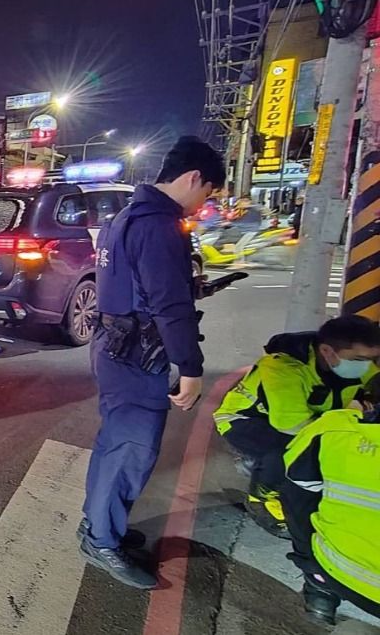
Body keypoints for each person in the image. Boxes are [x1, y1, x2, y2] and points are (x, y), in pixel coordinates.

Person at [79, 136, 225, 589]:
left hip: (116, 346)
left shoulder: (128, 215)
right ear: (192, 178)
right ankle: (102, 540)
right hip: (136, 355)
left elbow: (136, 285)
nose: (204, 204)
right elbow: (168, 303)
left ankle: (100, 525)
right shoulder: (158, 225)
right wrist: (191, 366)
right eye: (208, 193)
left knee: (116, 445)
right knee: (131, 451)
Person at [214, 316, 380, 537]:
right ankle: (261, 496)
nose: (366, 365)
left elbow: (372, 380)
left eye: (373, 359)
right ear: (327, 351)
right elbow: (294, 426)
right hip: (245, 421)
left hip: (307, 418)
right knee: (292, 450)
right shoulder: (282, 368)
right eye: (360, 359)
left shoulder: (352, 364)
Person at [281, 406, 380, 626]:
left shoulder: (334, 428)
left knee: (299, 497)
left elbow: (295, 497)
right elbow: (284, 420)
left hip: (340, 571)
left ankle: (319, 585)